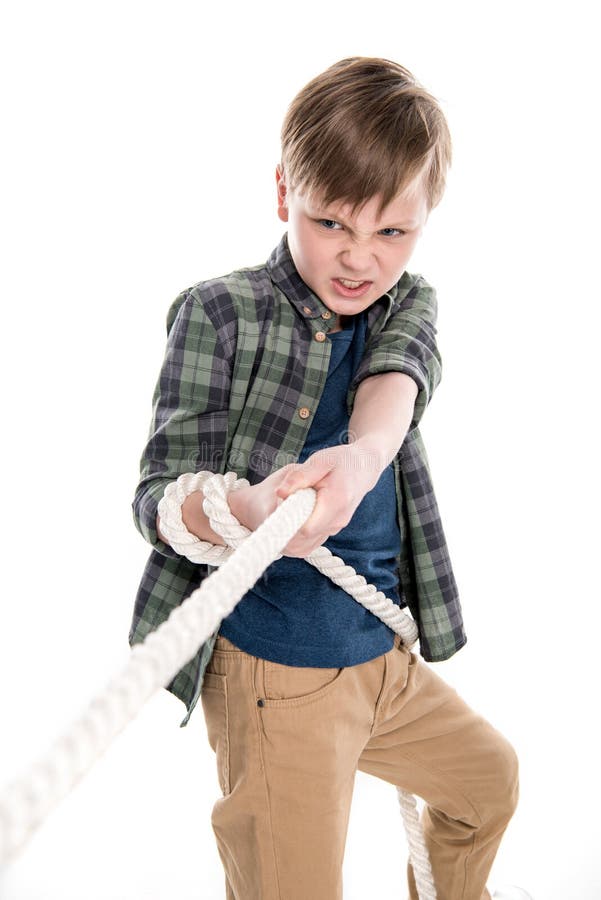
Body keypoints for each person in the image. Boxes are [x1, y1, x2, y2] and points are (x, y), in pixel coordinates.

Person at [129, 57, 522, 900]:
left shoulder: (406, 303)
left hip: (383, 660)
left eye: (392, 232)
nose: (358, 258)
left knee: (487, 783)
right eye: (331, 223)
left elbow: (396, 381)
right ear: (283, 194)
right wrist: (242, 506)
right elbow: (158, 498)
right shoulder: (218, 313)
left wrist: (360, 458)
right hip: (278, 682)